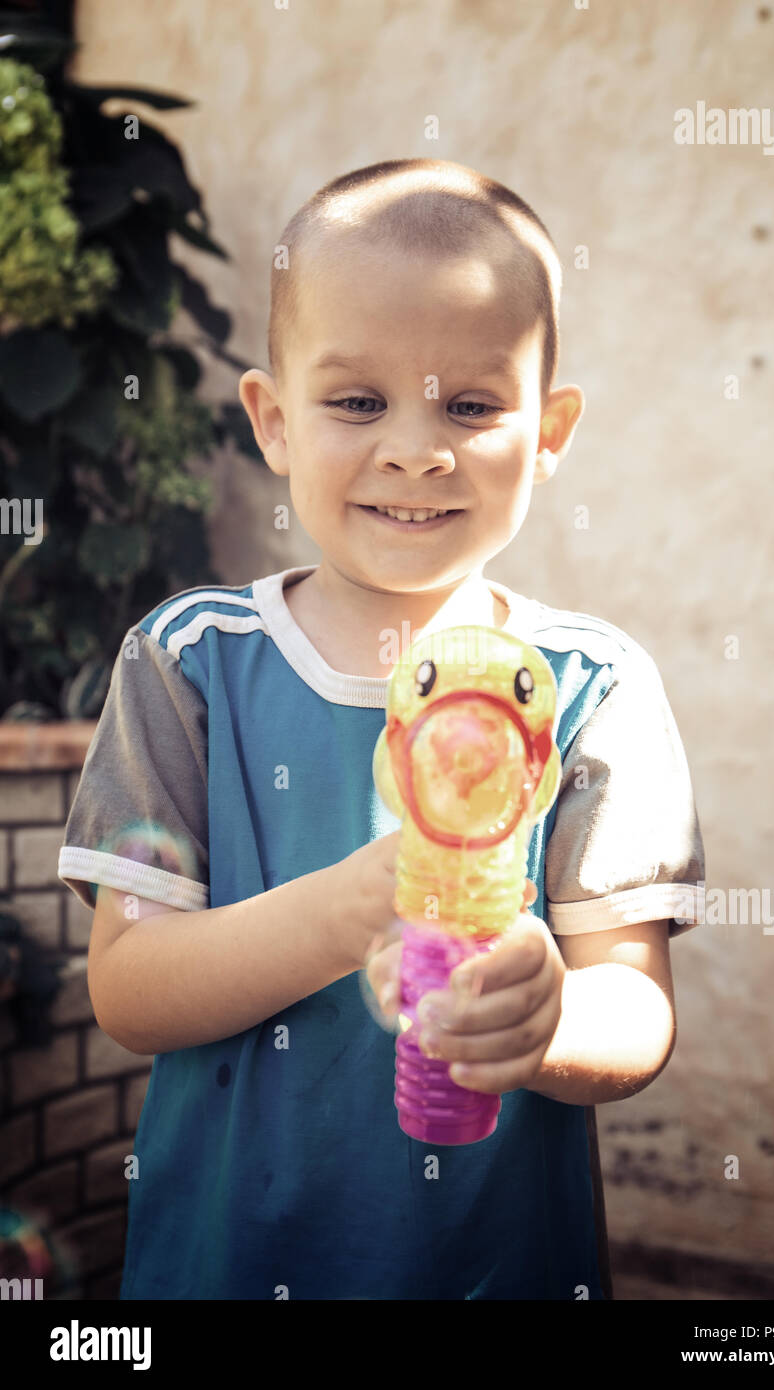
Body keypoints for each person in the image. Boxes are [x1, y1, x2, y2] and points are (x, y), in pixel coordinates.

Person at [58, 158, 705, 1300]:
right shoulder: (189, 660)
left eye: (470, 403)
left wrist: (549, 1019)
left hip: (495, 1268)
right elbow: (130, 991)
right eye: (357, 401)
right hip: (224, 1267)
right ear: (272, 420)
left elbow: (633, 1008)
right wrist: (358, 904)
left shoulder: (592, 681)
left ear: (548, 430)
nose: (415, 448)